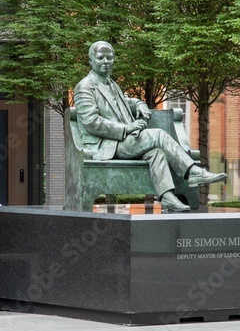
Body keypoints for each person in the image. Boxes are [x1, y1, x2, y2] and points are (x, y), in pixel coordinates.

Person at [73, 40, 226, 212]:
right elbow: (92, 122)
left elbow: (125, 102)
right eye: (101, 58)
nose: (106, 62)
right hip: (109, 144)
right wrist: (127, 129)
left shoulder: (111, 84)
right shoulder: (84, 87)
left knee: (157, 153)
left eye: (109, 58)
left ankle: (167, 198)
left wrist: (139, 104)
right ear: (91, 60)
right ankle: (193, 172)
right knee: (158, 135)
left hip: (127, 140)